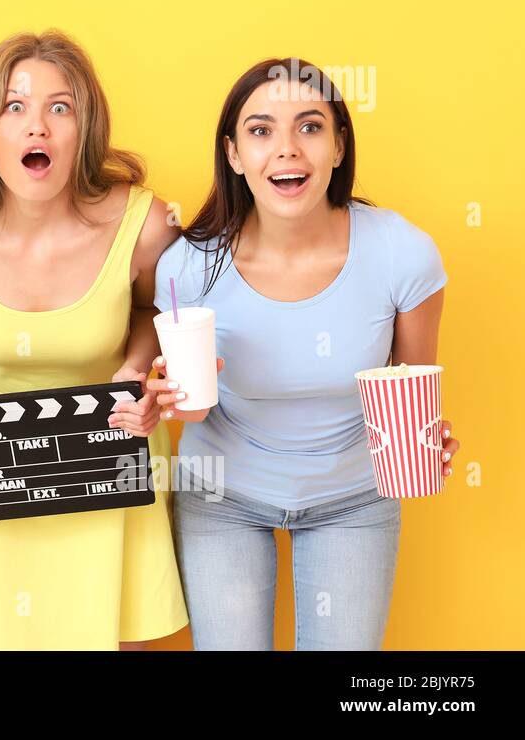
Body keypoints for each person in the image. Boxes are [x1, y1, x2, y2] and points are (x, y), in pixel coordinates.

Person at [148, 57, 460, 650]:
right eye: (261, 131)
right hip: (222, 496)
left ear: (339, 146)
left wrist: (427, 440)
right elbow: (185, 409)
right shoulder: (187, 268)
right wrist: (176, 403)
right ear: (234, 154)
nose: (287, 149)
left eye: (310, 127)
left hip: (354, 499)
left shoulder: (402, 254)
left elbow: (413, 386)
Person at [0, 30, 188, 650]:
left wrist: (137, 370)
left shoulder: (144, 224)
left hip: (109, 455)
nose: (39, 128)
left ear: (85, 129)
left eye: (61, 108)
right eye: (15, 107)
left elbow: (148, 313)